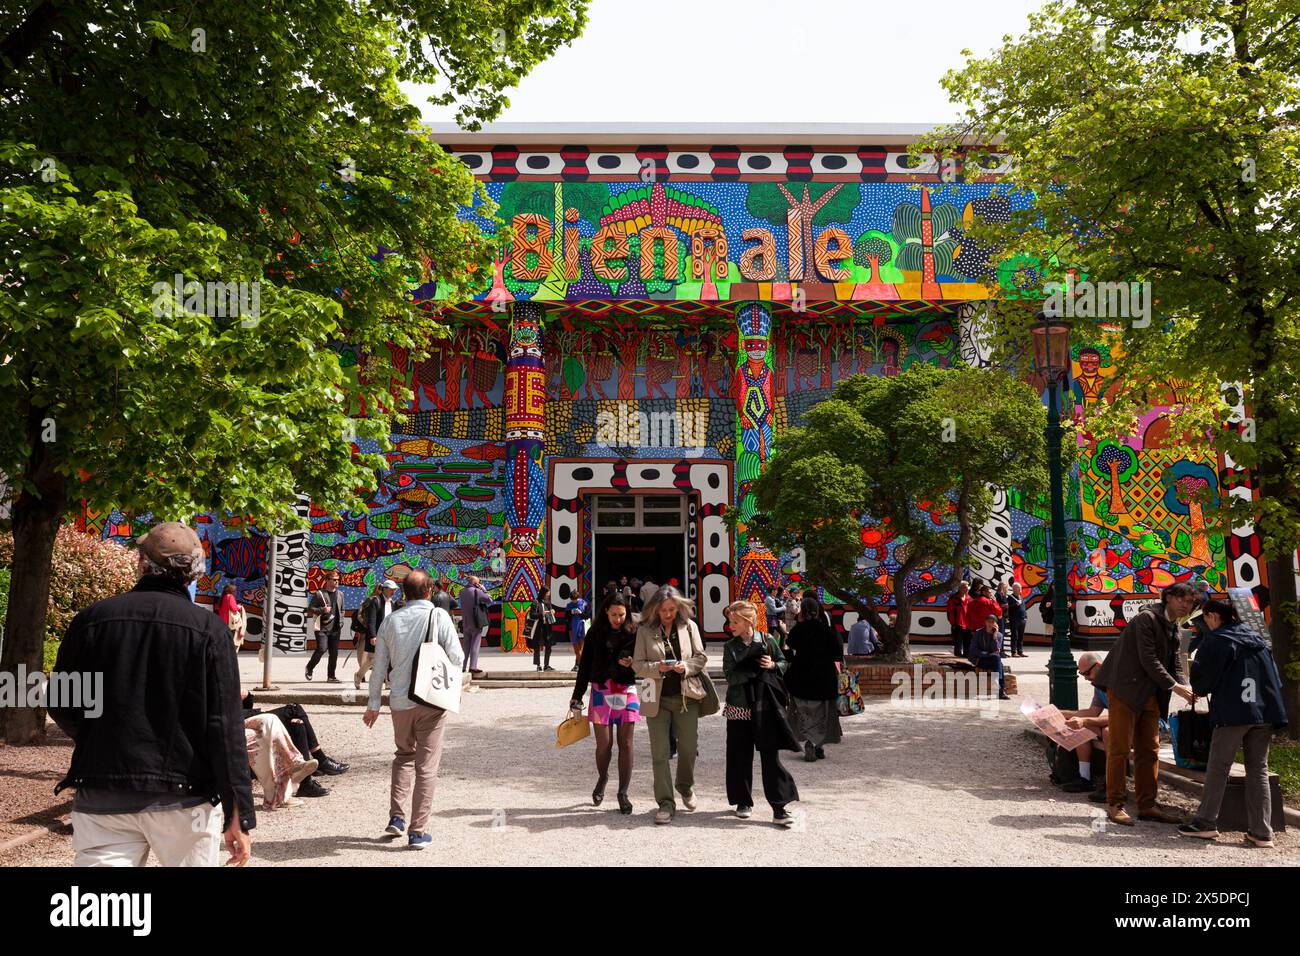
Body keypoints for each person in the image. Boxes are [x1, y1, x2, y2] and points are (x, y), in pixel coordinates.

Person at [49, 522, 254, 867]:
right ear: (195, 572)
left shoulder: (91, 621)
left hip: (103, 792)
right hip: (185, 799)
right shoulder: (209, 632)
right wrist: (240, 814)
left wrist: (98, 736)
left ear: (141, 562)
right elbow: (224, 729)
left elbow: (62, 704)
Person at [363, 570, 465, 850]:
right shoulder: (439, 616)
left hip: (399, 701)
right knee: (427, 767)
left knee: (403, 756)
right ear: (429, 591)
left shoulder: (390, 622)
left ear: (403, 593)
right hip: (431, 700)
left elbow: (379, 667)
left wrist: (373, 704)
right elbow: (457, 656)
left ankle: (396, 817)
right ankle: (417, 831)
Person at [1179, 600, 1288, 846]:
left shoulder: (1217, 640)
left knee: (1218, 767)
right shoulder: (1258, 641)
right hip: (1263, 712)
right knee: (1258, 769)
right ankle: (1262, 832)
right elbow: (1275, 679)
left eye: (1205, 618)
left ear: (1213, 616)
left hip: (1232, 713)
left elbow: (1201, 682)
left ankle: (1205, 822)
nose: (1204, 623)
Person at [1092, 582, 1198, 827]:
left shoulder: (1175, 626)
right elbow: (1148, 658)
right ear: (1168, 597)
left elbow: (1175, 660)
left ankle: (1147, 805)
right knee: (1119, 748)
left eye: (1190, 602)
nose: (1186, 605)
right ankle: (1115, 804)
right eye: (1182, 599)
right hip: (1126, 689)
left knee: (1149, 749)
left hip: (1149, 693)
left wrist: (1186, 685)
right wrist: (1175, 686)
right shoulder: (1146, 619)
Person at [634, 585, 709, 825]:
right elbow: (637, 664)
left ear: (678, 607)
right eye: (663, 610)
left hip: (686, 695)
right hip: (653, 694)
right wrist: (659, 668)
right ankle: (665, 803)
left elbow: (701, 657)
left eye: (671, 609)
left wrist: (685, 667)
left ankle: (685, 786)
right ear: (655, 609)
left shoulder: (689, 627)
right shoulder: (645, 630)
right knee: (659, 753)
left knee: (688, 747)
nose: (667, 614)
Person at [722, 600, 799, 826]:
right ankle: (742, 801)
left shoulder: (768, 640)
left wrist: (773, 665)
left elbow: (785, 663)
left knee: (770, 756)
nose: (730, 625)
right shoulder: (730, 647)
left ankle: (779, 806)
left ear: (748, 622)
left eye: (735, 621)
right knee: (739, 756)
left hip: (765, 706)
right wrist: (749, 670)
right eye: (730, 621)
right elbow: (729, 676)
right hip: (739, 707)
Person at [569, 594, 639, 814]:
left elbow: (645, 660)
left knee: (626, 744)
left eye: (621, 614)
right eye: (613, 615)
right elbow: (585, 665)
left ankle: (623, 793)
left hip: (627, 689)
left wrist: (633, 662)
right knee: (604, 745)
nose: (618, 619)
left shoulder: (634, 631)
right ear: (606, 612)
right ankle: (603, 777)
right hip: (601, 689)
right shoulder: (595, 633)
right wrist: (577, 695)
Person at [241, 692, 349, 798]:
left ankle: (306, 784)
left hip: (247, 715)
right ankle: (321, 759)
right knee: (294, 709)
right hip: (242, 719)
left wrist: (247, 695)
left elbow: (244, 706)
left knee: (297, 723)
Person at [785, 593, 844, 761]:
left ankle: (810, 742)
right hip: (824, 679)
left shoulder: (798, 630)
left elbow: (791, 645)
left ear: (802, 612)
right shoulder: (828, 631)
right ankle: (818, 745)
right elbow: (837, 654)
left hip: (801, 678)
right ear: (818, 611)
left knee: (805, 713)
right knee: (821, 715)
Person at [1060, 652, 1110, 798]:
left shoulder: (1115, 681)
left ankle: (1111, 784)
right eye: (1082, 675)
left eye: (1087, 673)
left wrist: (1085, 721)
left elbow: (1120, 717)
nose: (1086, 678)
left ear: (1099, 666)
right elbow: (1093, 711)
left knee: (1108, 731)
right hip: (1118, 721)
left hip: (1131, 723)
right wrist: (1063, 714)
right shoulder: (1099, 685)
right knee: (1079, 727)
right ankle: (1084, 777)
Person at [356, 579, 402, 689]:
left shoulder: (392, 603)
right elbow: (372, 620)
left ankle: (388, 682)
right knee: (371, 660)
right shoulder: (375, 601)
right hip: (376, 635)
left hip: (388, 636)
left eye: (394, 590)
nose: (393, 592)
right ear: (385, 589)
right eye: (391, 589)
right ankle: (358, 676)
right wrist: (372, 636)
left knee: (388, 658)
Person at [305, 569, 344, 682]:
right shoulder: (319, 594)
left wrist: (341, 622)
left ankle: (331, 676)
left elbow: (342, 610)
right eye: (334, 580)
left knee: (334, 653)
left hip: (335, 628)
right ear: (327, 580)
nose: (337, 582)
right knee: (322, 648)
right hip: (320, 626)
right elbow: (310, 609)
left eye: (338, 580)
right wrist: (323, 609)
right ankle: (309, 667)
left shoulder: (340, 594)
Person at [970, 615, 1011, 700]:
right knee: (998, 662)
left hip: (993, 660)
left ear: (996, 624)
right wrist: (987, 654)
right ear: (985, 622)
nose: (990, 624)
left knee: (997, 659)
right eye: (988, 621)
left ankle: (998, 686)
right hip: (981, 660)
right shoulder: (978, 633)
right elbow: (974, 650)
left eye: (992, 622)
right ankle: (1001, 690)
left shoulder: (999, 635)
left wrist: (994, 636)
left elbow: (996, 650)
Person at [458, 575, 490, 676]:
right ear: (476, 583)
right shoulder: (477, 591)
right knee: (475, 644)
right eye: (478, 582)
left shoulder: (462, 592)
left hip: (466, 622)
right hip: (476, 622)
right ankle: (473, 667)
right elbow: (489, 600)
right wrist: (484, 590)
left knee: (466, 645)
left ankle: (462, 666)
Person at [963, 584, 1003, 658]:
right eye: (989, 592)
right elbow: (999, 613)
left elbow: (967, 616)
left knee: (975, 646)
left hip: (974, 628)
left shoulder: (972, 603)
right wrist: (995, 602)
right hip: (986, 628)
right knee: (986, 646)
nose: (991, 594)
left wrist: (970, 627)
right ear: (984, 592)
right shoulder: (989, 602)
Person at [527, 589, 558, 671]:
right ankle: (538, 665)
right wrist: (542, 614)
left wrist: (552, 611)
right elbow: (532, 615)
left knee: (549, 646)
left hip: (547, 627)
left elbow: (551, 611)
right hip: (538, 628)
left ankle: (546, 665)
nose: (548, 595)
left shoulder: (548, 602)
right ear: (543, 593)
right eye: (547, 593)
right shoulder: (535, 602)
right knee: (537, 646)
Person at [216, 584, 247, 650]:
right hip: (230, 621)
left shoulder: (223, 597)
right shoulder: (230, 597)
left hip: (223, 620)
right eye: (234, 590)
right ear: (231, 591)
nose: (235, 592)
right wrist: (238, 606)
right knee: (233, 638)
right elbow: (234, 608)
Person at [566, 595, 589, 672]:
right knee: (576, 649)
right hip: (572, 628)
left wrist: (580, 613)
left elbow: (587, 616)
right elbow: (566, 617)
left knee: (581, 648)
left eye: (575, 600)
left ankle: (577, 665)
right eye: (573, 600)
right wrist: (571, 612)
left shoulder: (583, 604)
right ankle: (581, 665)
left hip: (581, 628)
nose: (574, 602)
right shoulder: (569, 606)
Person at [946, 581, 970, 656]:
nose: (966, 590)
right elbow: (950, 612)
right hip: (958, 623)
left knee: (967, 641)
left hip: (968, 623)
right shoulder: (953, 598)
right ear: (960, 588)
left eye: (967, 588)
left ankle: (966, 654)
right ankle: (958, 655)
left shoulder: (969, 598)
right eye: (965, 588)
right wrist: (953, 623)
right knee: (958, 641)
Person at [1006, 582, 1028, 658]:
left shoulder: (1021, 597)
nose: (1019, 589)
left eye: (1019, 588)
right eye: (1017, 588)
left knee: (1021, 636)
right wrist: (1016, 605)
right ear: (1014, 589)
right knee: (1015, 636)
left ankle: (1020, 651)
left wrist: (1025, 616)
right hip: (1015, 619)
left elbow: (1024, 608)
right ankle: (1013, 652)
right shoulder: (1010, 597)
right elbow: (1008, 608)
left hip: (1022, 619)